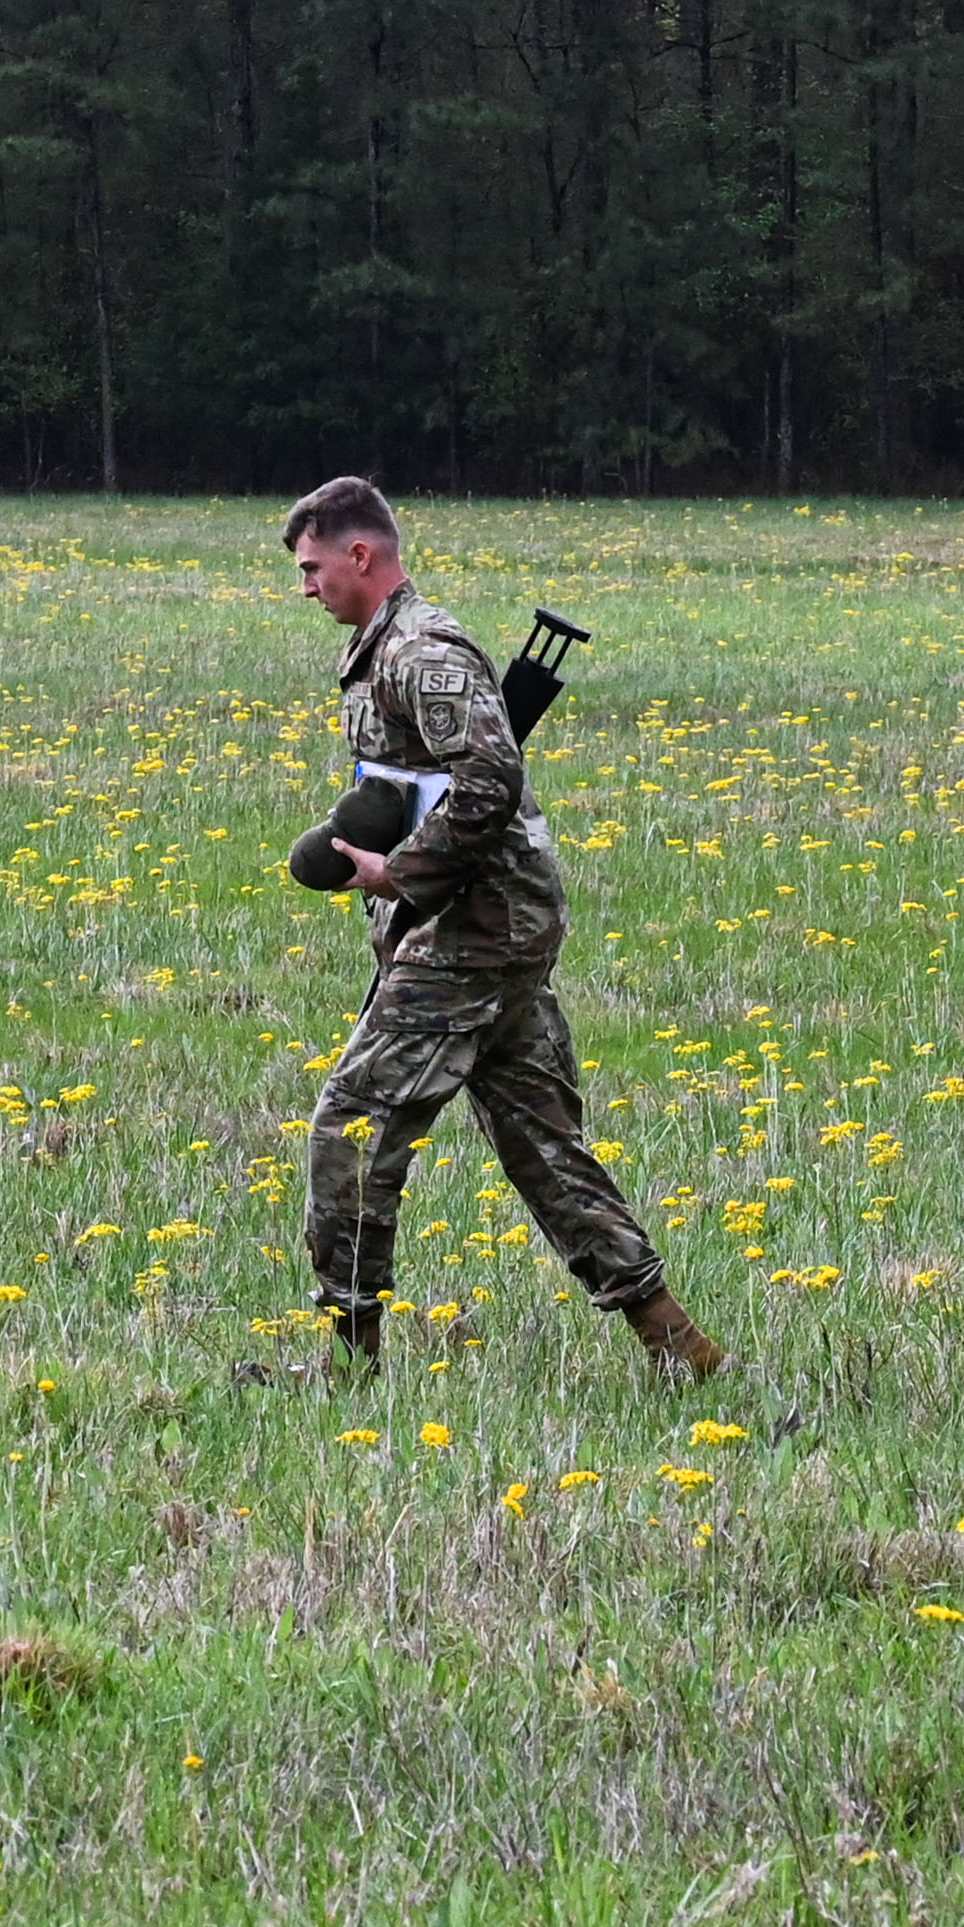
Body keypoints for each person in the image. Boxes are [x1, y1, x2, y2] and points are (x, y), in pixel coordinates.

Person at [284, 476, 725, 1378]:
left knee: (353, 1127)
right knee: (541, 1144)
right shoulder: (385, 652)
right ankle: (682, 1350)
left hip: (473, 937)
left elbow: (489, 783)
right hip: (486, 929)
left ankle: (348, 1368)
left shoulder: (424, 652)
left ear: (359, 555)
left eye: (312, 567)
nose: (306, 587)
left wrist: (396, 873)